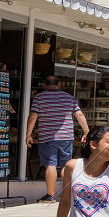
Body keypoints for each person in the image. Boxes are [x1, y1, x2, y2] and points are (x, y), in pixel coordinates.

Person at [25, 74, 89, 203]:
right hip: (66, 138)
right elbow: (79, 114)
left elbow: (32, 117)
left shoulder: (39, 98)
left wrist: (28, 134)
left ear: (44, 86)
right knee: (66, 165)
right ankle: (67, 194)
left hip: (47, 137)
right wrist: (86, 132)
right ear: (59, 85)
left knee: (50, 164)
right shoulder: (69, 98)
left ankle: (50, 195)